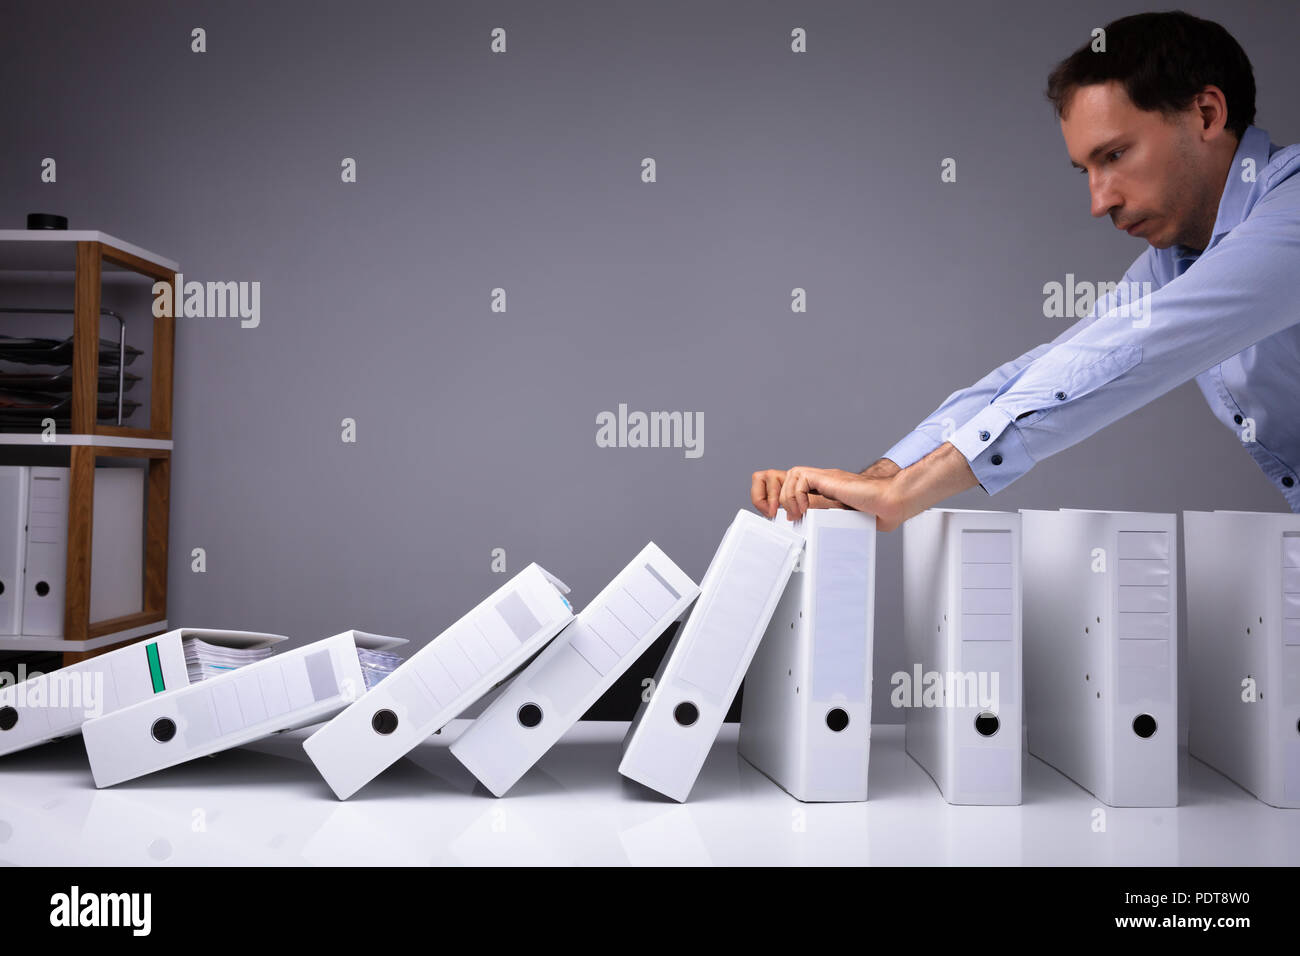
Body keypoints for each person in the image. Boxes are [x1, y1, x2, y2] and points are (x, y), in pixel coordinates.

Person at [752, 10, 1300, 531]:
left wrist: (909, 493)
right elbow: (1056, 365)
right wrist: (880, 478)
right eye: (1085, 169)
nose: (1098, 201)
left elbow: (1144, 346)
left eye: (1114, 155)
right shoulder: (1175, 262)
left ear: (1206, 113)